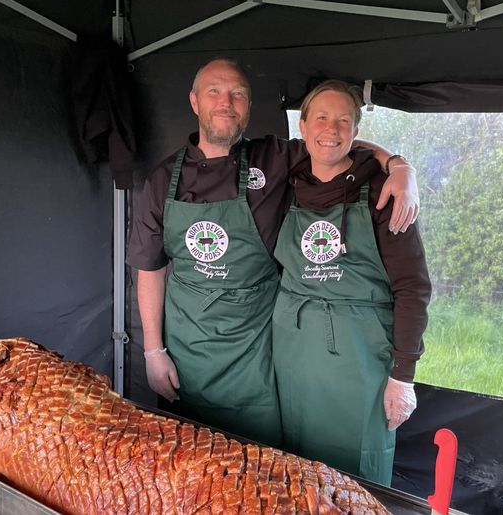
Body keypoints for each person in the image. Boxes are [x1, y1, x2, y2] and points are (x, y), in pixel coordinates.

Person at [128, 58, 419, 447]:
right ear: (195, 102)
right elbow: (150, 267)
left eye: (238, 95)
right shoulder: (163, 178)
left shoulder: (274, 157)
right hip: (187, 347)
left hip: (257, 347)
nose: (226, 102)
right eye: (214, 91)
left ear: (248, 107)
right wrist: (152, 350)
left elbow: (334, 142)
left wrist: (400, 168)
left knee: (259, 461)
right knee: (191, 461)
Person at [271, 80, 431, 486]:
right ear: (302, 128)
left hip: (361, 356)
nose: (332, 129)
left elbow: (412, 288)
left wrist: (403, 374)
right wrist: (400, 161)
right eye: (321, 118)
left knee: (360, 480)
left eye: (344, 120)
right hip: (296, 353)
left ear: (356, 133)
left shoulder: (383, 193)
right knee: (299, 472)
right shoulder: (282, 182)